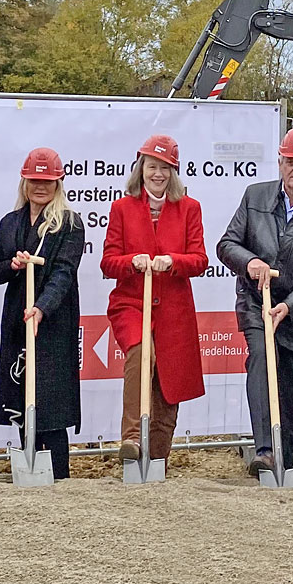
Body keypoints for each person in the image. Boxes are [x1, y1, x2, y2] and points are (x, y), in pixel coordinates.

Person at [216, 127, 293, 475]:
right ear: (280, 162)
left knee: (291, 389)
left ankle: (282, 460)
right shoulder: (254, 196)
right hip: (257, 304)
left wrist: (290, 307)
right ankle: (264, 450)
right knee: (261, 358)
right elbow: (227, 245)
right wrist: (250, 262)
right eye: (291, 161)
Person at [100, 133, 208, 463]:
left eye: (165, 167)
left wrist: (173, 261)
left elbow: (199, 260)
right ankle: (132, 437)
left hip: (174, 310)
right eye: (151, 166)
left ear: (174, 172)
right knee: (140, 352)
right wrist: (131, 262)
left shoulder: (189, 208)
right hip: (132, 303)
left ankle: (158, 459)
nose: (157, 174)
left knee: (168, 384)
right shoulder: (122, 208)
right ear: (141, 169)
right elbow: (108, 262)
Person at [0, 147, 85, 480]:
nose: (40, 187)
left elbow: (64, 272)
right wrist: (11, 265)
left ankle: (59, 476)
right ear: (24, 182)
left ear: (58, 184)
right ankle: (29, 469)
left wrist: (42, 308)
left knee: (51, 405)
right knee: (21, 397)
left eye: (47, 181)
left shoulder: (69, 223)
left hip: (53, 322)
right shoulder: (9, 222)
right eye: (34, 181)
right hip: (18, 318)